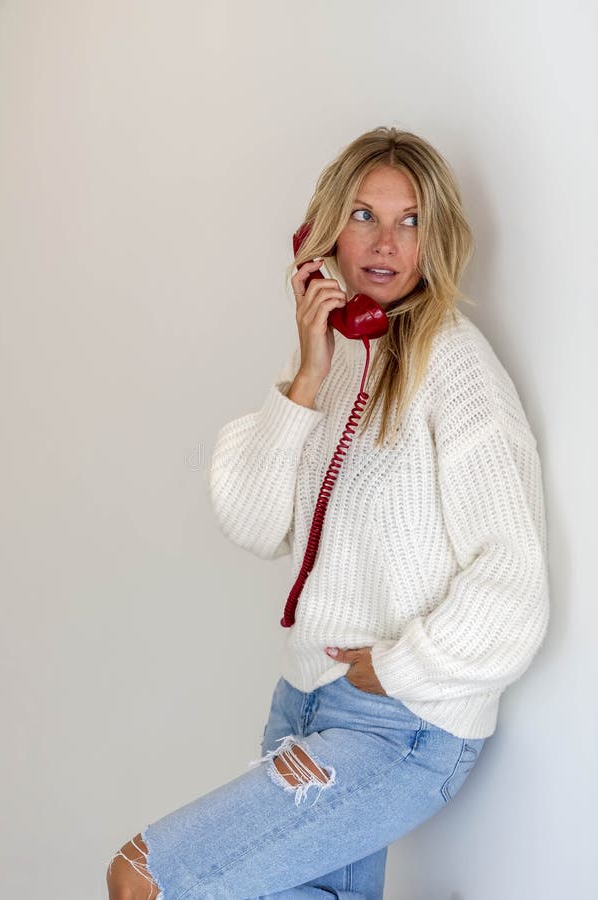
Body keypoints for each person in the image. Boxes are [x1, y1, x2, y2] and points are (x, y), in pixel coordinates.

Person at [106, 127, 550, 900]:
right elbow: (253, 522)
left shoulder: (458, 366)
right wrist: (307, 376)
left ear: (434, 238)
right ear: (323, 235)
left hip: (400, 725)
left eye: (410, 221)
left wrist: (403, 666)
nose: (385, 243)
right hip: (301, 701)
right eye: (362, 216)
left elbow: (514, 578)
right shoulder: (329, 355)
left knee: (145, 876)